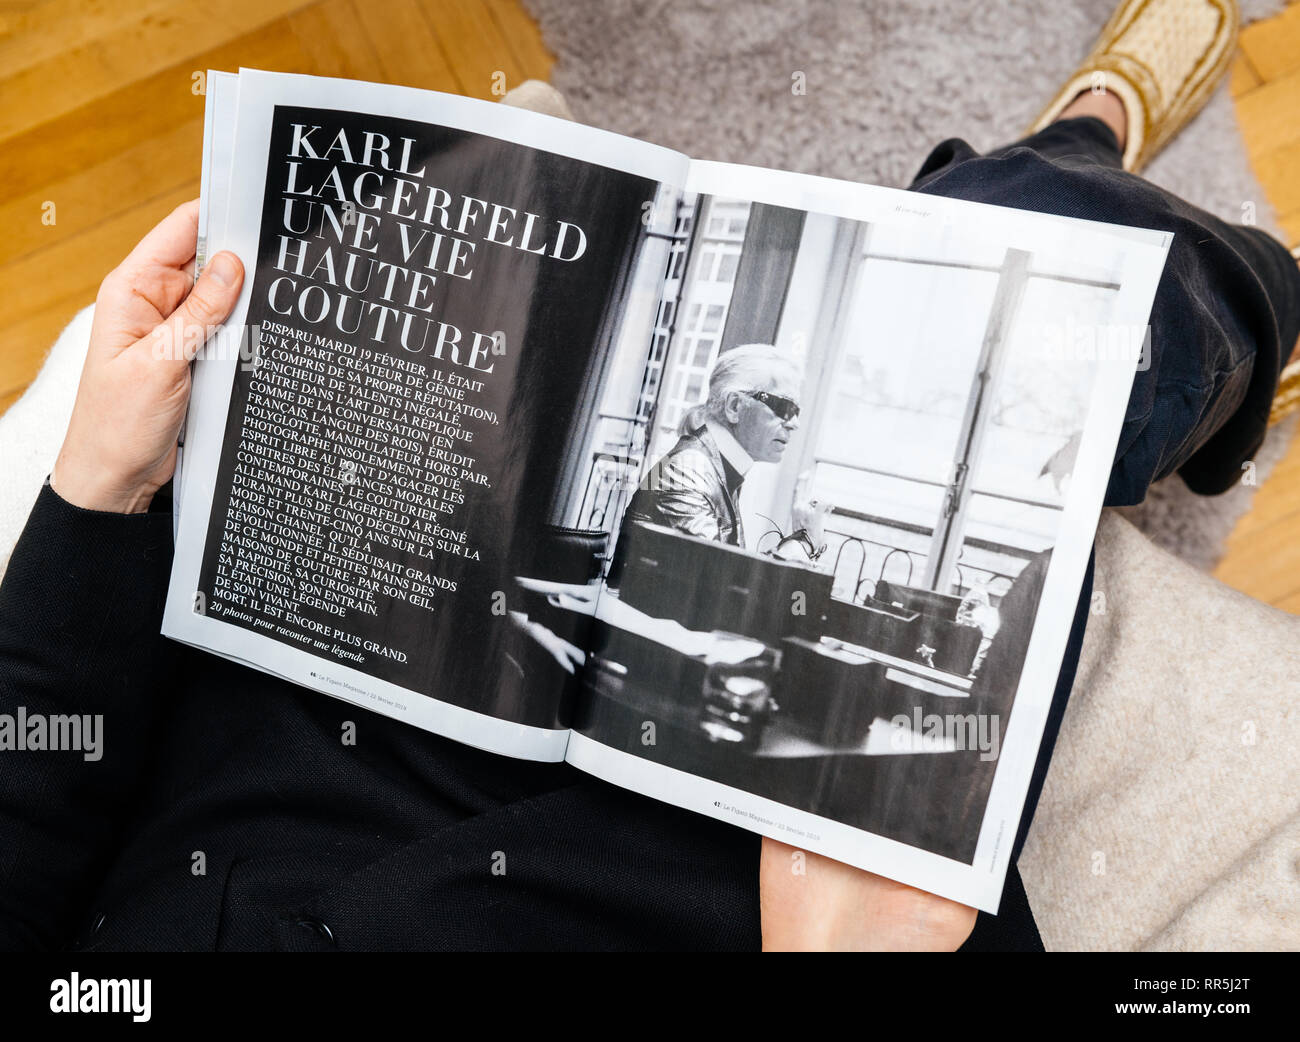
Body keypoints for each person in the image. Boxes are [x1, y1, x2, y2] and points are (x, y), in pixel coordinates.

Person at [1, 0, 1296, 951]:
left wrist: (90, 494)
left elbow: (28, 774)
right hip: (704, 838)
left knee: (996, 287)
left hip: (328, 667)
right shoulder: (703, 473)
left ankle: (1101, 163)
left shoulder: (717, 470)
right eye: (773, 410)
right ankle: (1132, 179)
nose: (786, 426)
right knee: (1041, 308)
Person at [621, 343, 802, 549]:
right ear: (734, 406)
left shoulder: (716, 466)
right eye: (785, 407)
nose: (795, 423)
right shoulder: (686, 469)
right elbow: (714, 571)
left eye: (797, 411)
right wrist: (801, 544)